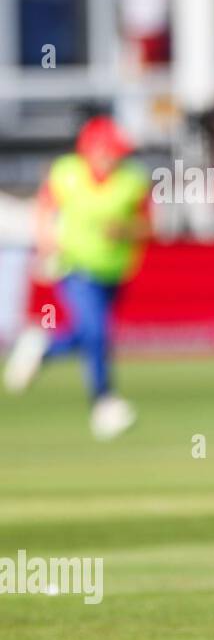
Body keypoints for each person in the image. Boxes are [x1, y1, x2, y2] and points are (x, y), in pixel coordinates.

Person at [4, 116, 150, 441]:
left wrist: (124, 230)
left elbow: (146, 225)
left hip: (113, 271)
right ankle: (104, 401)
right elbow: (43, 209)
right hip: (74, 266)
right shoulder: (67, 173)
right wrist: (46, 244)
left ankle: (42, 349)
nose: (114, 157)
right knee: (96, 333)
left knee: (89, 334)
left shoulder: (131, 181)